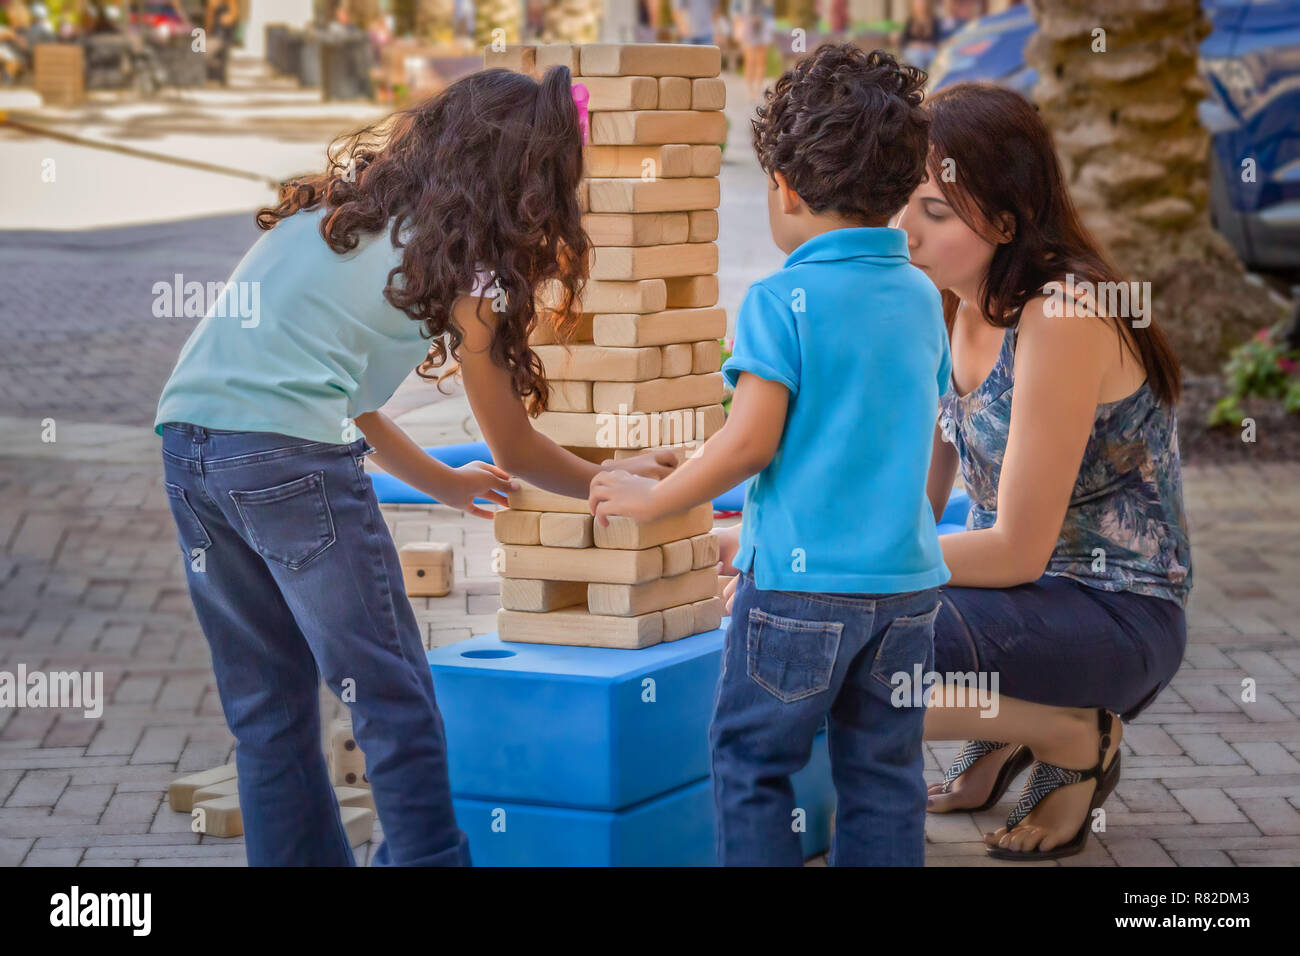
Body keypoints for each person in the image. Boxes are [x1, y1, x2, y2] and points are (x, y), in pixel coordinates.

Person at [154, 66, 677, 866]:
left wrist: (443, 481)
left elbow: (341, 400)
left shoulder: (330, 219)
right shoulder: (466, 275)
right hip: (285, 461)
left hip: (189, 449)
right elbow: (517, 447)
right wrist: (613, 480)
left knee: (267, 712)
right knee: (391, 697)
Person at [589, 45, 948, 866]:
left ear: (784, 187)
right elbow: (907, 425)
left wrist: (658, 496)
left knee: (752, 763)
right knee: (885, 772)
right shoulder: (925, 297)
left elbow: (752, 440)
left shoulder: (782, 297)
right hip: (906, 591)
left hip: (799, 592)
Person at [897, 82, 1191, 860]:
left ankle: (1069, 732)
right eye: (900, 203)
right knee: (826, 611)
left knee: (853, 646)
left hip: (1118, 612)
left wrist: (848, 564)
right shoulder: (948, 303)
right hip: (1027, 595)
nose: (904, 231)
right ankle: (1002, 737)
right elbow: (915, 505)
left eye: (932, 210)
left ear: (1003, 219)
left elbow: (1016, 549)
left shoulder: (1060, 315)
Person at [731, 0, 774, 101]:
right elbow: (735, 10)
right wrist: (738, 25)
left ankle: (758, 89)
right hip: (747, 25)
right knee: (749, 60)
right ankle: (750, 90)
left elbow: (769, 9)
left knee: (761, 61)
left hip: (763, 25)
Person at [899, 0, 940, 71]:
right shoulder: (911, 20)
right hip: (914, 50)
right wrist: (916, 45)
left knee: (933, 56)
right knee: (916, 56)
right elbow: (904, 41)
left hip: (930, 49)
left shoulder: (934, 21)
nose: (921, 4)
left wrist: (927, 45)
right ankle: (919, 77)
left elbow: (937, 39)